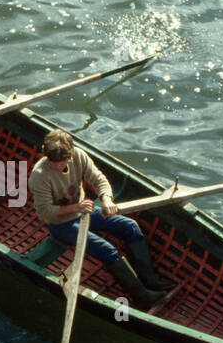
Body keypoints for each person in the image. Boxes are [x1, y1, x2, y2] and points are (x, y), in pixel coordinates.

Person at [28, 128, 174, 309]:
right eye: (54, 162)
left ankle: (149, 280)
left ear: (70, 154)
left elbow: (98, 179)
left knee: (130, 226)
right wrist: (76, 207)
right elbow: (45, 212)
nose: (58, 165)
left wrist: (106, 198)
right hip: (60, 224)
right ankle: (142, 295)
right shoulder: (39, 175)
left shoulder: (78, 156)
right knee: (107, 249)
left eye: (63, 161)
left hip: (83, 211)